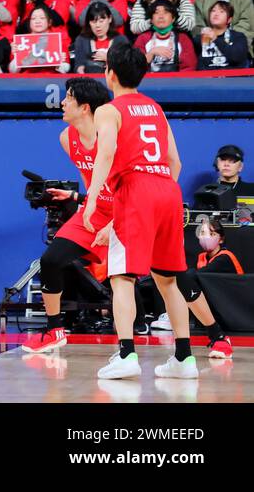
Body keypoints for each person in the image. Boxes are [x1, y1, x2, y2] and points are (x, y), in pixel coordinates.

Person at [84, 44, 193, 380]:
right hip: (167, 188)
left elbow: (105, 155)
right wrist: (161, 190)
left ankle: (127, 354)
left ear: (109, 75)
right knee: (167, 279)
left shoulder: (109, 110)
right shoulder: (156, 108)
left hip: (136, 188)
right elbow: (176, 162)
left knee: (122, 277)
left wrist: (91, 200)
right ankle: (184, 360)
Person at [23, 77, 114, 353]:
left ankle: (213, 335)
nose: (62, 102)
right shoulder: (67, 138)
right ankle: (54, 329)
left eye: (69, 97)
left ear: (85, 107)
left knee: (163, 275)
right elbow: (93, 181)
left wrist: (115, 221)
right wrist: (78, 198)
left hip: (126, 210)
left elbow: (128, 185)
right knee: (51, 260)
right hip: (94, 210)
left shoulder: (111, 134)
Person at [170, 217, 238, 360]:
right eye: (202, 233)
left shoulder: (225, 257)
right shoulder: (202, 256)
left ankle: (218, 335)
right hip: (211, 304)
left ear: (221, 239)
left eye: (211, 234)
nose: (206, 237)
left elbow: (198, 275)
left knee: (189, 275)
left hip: (231, 305)